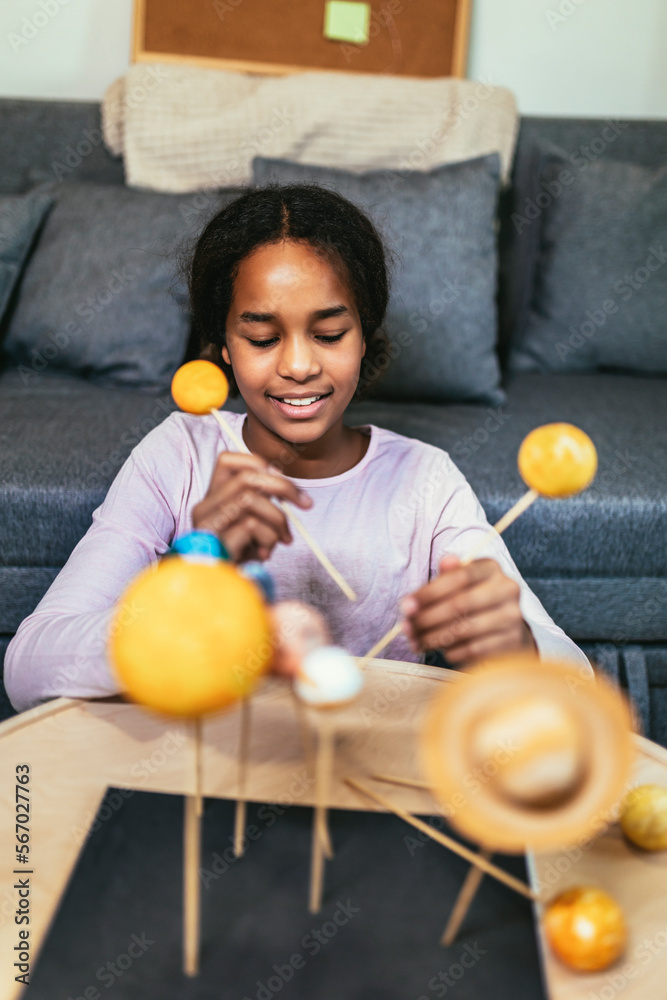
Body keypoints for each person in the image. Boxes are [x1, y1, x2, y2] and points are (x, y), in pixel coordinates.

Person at [4, 184, 590, 713]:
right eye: (261, 338)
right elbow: (29, 668)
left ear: (365, 336)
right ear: (225, 348)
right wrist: (195, 574)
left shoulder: (425, 481)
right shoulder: (180, 454)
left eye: (330, 334)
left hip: (360, 782)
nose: (299, 365)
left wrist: (514, 647)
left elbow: (575, 691)